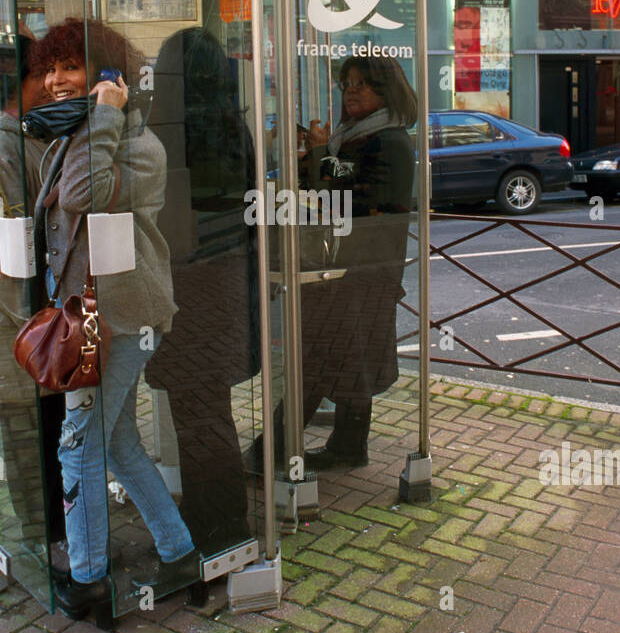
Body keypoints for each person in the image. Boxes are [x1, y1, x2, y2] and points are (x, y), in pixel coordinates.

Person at [32, 18, 198, 620]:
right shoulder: (81, 133)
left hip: (124, 318)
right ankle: (179, 550)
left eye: (69, 67)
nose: (54, 80)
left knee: (76, 447)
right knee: (119, 440)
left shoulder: (134, 144)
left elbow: (84, 194)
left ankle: (89, 578)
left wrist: (103, 113)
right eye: (48, 69)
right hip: (92, 316)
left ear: (107, 75)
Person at [145, 28, 259, 554]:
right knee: (208, 405)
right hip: (228, 276)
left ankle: (221, 524)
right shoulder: (235, 126)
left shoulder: (169, 129)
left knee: (197, 407)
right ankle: (215, 513)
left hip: (186, 281)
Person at [0, 36, 66, 575]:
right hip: (23, 334)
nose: (52, 85)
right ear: (18, 82)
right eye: (43, 74)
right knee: (29, 445)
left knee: (47, 438)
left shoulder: (20, 137)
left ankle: (53, 537)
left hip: (38, 328)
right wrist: (37, 326)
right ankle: (40, 546)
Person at [286, 56, 417, 470]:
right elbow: (325, 185)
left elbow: (355, 202)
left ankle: (274, 447)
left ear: (387, 90)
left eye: (364, 84)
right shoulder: (354, 136)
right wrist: (316, 151)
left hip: (365, 267)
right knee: (351, 353)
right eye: (347, 84)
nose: (353, 91)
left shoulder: (388, 140)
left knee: (323, 356)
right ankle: (348, 445)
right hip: (351, 264)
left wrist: (322, 153)